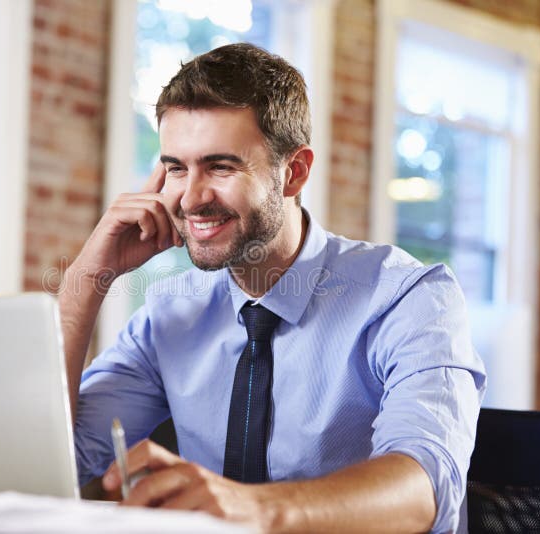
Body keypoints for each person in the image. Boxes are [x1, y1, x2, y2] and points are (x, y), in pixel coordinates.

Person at [60, 43, 486, 533]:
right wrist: (86, 280)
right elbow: (59, 459)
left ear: (294, 172)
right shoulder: (170, 315)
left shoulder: (408, 296)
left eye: (220, 167)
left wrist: (253, 509)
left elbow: (425, 487)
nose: (192, 198)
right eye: (177, 167)